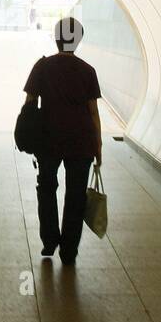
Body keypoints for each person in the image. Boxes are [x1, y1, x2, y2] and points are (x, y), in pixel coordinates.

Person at [22, 17, 103, 266]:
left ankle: (49, 240)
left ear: (56, 38)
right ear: (78, 40)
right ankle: (69, 250)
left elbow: (29, 103)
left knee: (46, 189)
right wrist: (98, 147)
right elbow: (93, 112)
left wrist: (27, 134)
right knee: (76, 195)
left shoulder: (42, 67)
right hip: (81, 143)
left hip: (48, 141)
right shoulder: (88, 71)